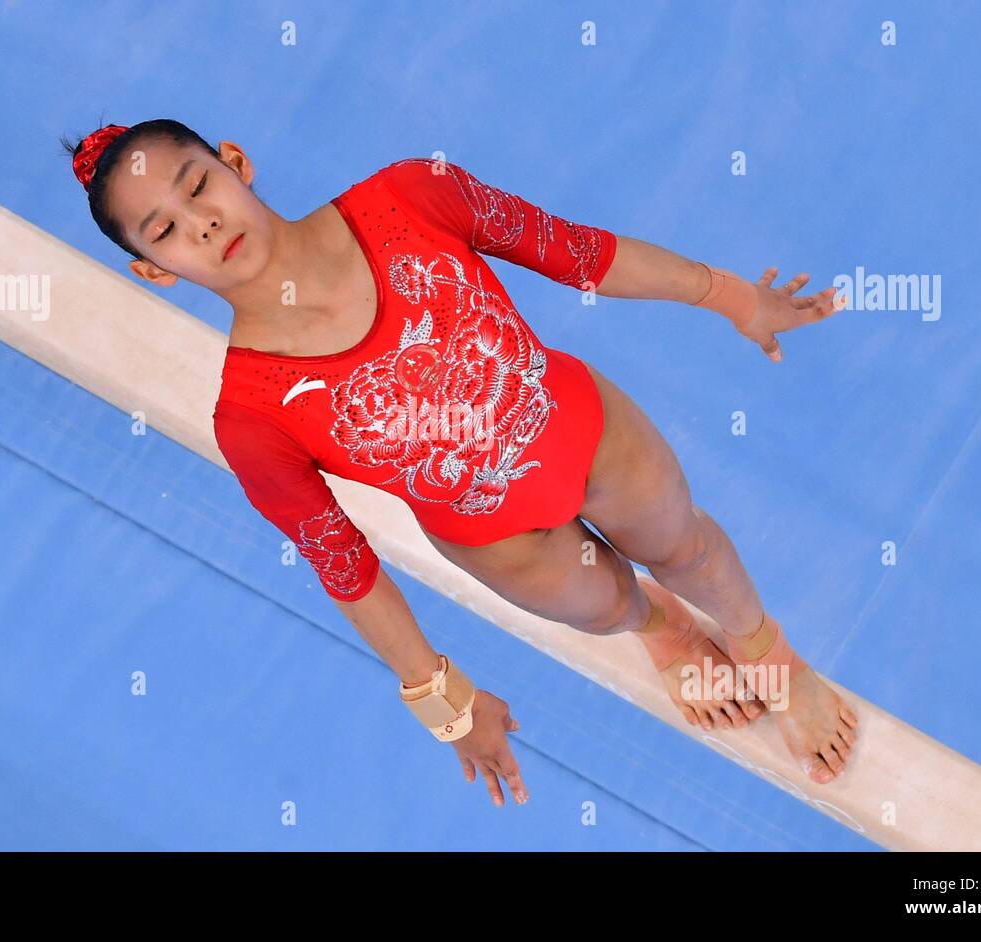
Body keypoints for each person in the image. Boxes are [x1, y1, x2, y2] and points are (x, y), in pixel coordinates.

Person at [63, 119, 858, 806]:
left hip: (590, 436)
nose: (199, 224)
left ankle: (766, 651)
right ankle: (665, 630)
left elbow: (575, 251)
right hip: (503, 542)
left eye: (196, 184)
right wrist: (443, 700)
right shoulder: (250, 417)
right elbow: (343, 563)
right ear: (153, 271)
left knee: (686, 546)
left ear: (236, 162)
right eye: (163, 231)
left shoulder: (409, 194)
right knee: (606, 603)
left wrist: (733, 297)